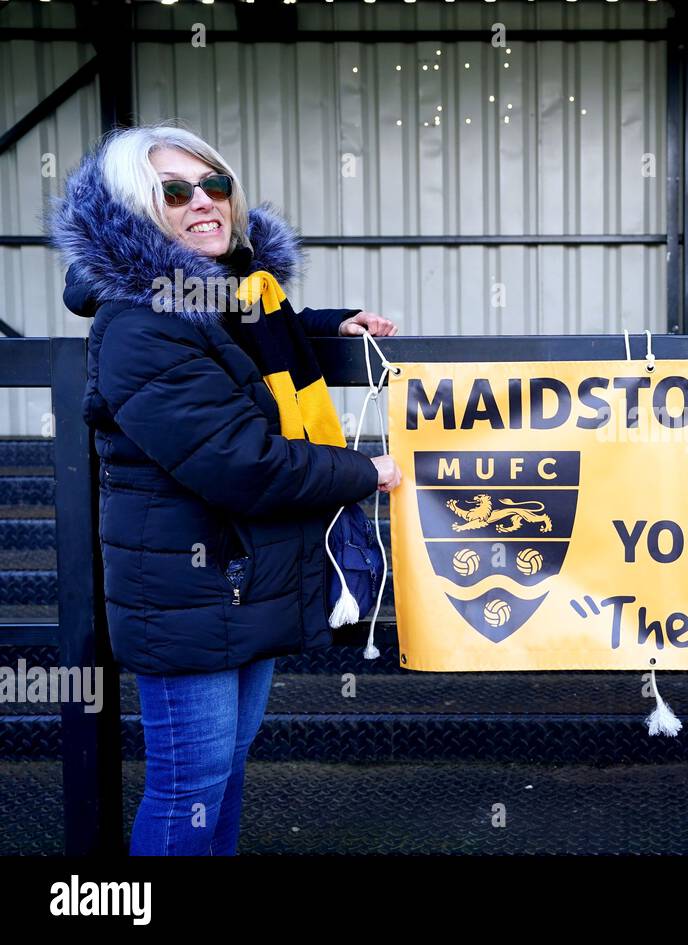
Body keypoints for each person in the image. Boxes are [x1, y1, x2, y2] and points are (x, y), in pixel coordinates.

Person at [47, 123, 403, 855]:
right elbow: (239, 461)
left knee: (223, 779)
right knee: (189, 788)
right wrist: (363, 471)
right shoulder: (141, 321)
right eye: (175, 191)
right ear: (134, 209)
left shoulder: (230, 295)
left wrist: (332, 325)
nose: (203, 201)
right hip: (189, 587)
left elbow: (248, 340)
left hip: (243, 574)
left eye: (215, 184)